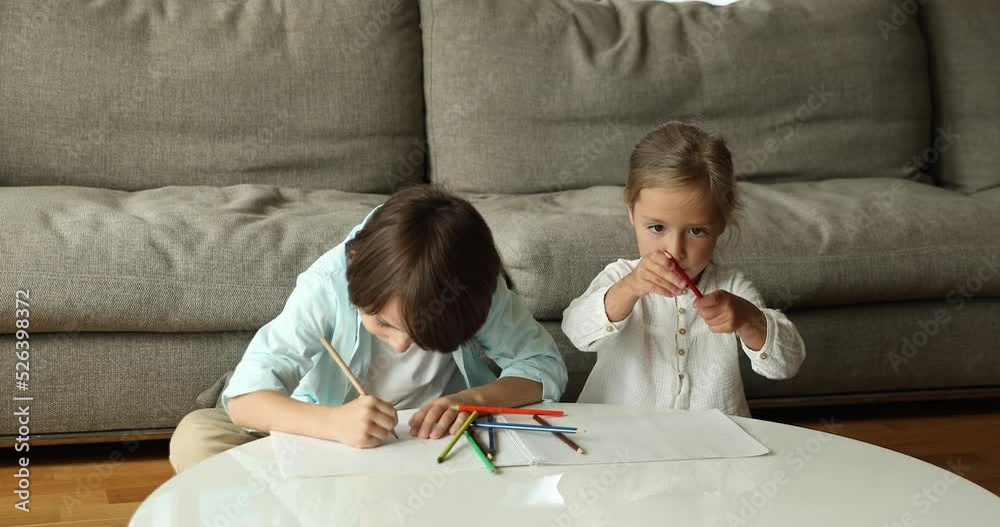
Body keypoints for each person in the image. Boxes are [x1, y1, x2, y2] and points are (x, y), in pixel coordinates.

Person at [170, 185, 567, 472]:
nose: (401, 346)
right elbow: (245, 399)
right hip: (321, 430)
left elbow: (543, 364)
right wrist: (333, 423)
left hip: (429, 447)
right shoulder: (328, 285)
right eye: (383, 323)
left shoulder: (473, 286)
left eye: (424, 335)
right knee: (196, 437)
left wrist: (474, 398)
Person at [561, 122, 805, 416]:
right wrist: (629, 288)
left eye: (696, 231)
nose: (674, 251)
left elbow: (785, 365)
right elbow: (577, 333)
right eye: (657, 227)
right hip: (623, 433)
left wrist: (748, 319)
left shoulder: (732, 288)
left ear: (721, 224)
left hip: (709, 438)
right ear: (631, 213)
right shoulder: (621, 277)